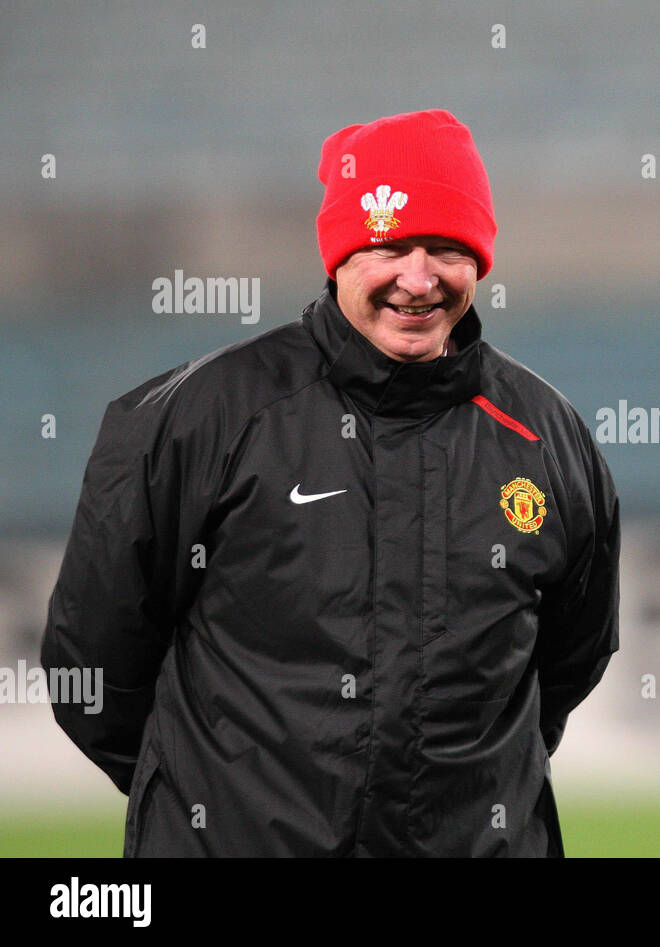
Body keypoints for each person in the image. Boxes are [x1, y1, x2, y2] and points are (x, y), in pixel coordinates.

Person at [41, 109, 620, 857]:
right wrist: (211, 795)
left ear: (480, 260)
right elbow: (93, 666)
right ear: (340, 255)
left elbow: (570, 656)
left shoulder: (550, 437)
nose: (418, 280)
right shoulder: (202, 417)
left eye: (446, 247)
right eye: (389, 244)